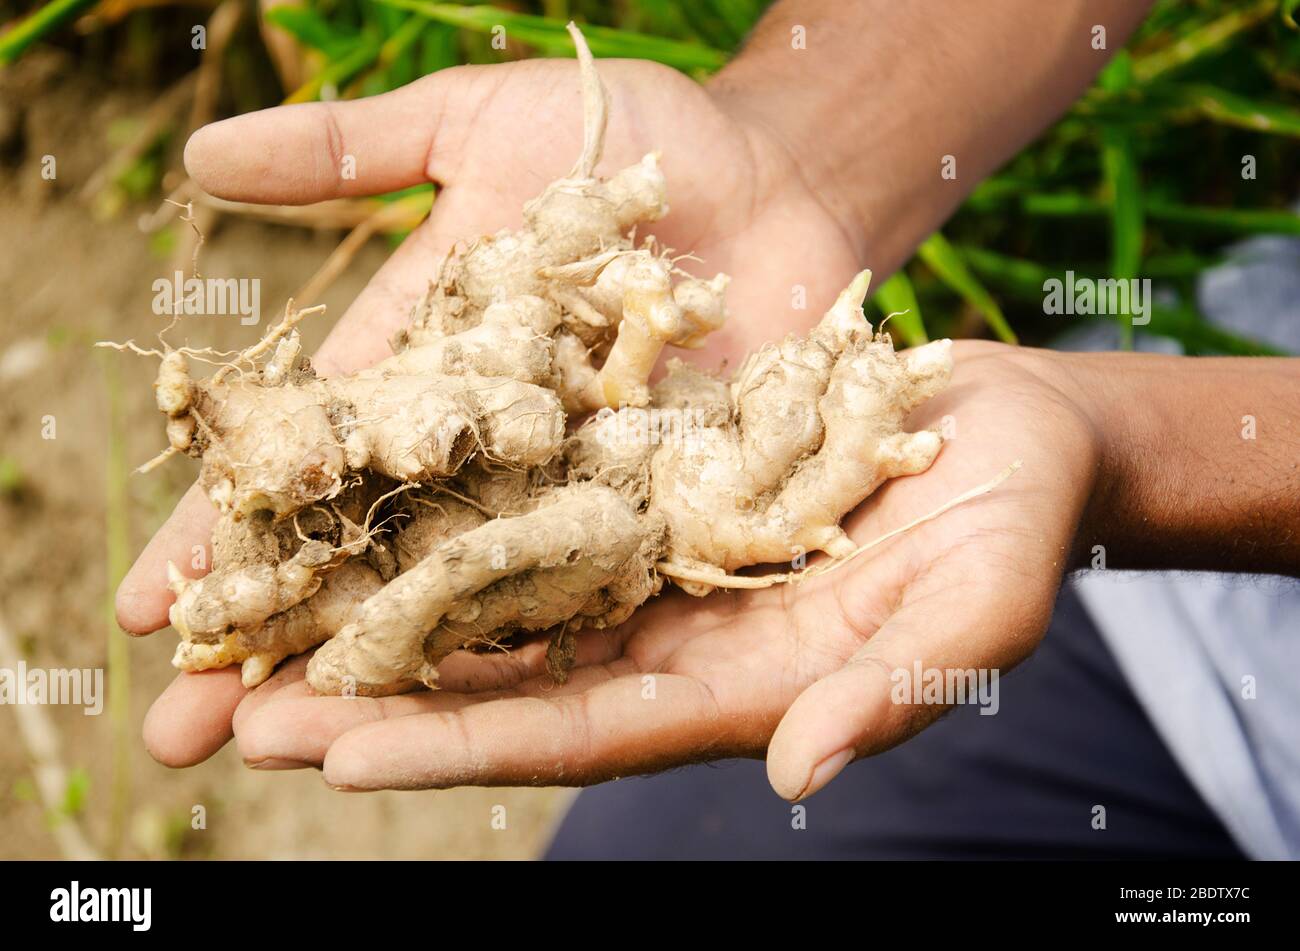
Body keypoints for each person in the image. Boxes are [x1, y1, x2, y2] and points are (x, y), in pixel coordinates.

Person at [115, 0, 1300, 856]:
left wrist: (1124, 448)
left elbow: (506, 550)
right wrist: (797, 147)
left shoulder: (644, 508)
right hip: (1181, 622)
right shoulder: (543, 409)